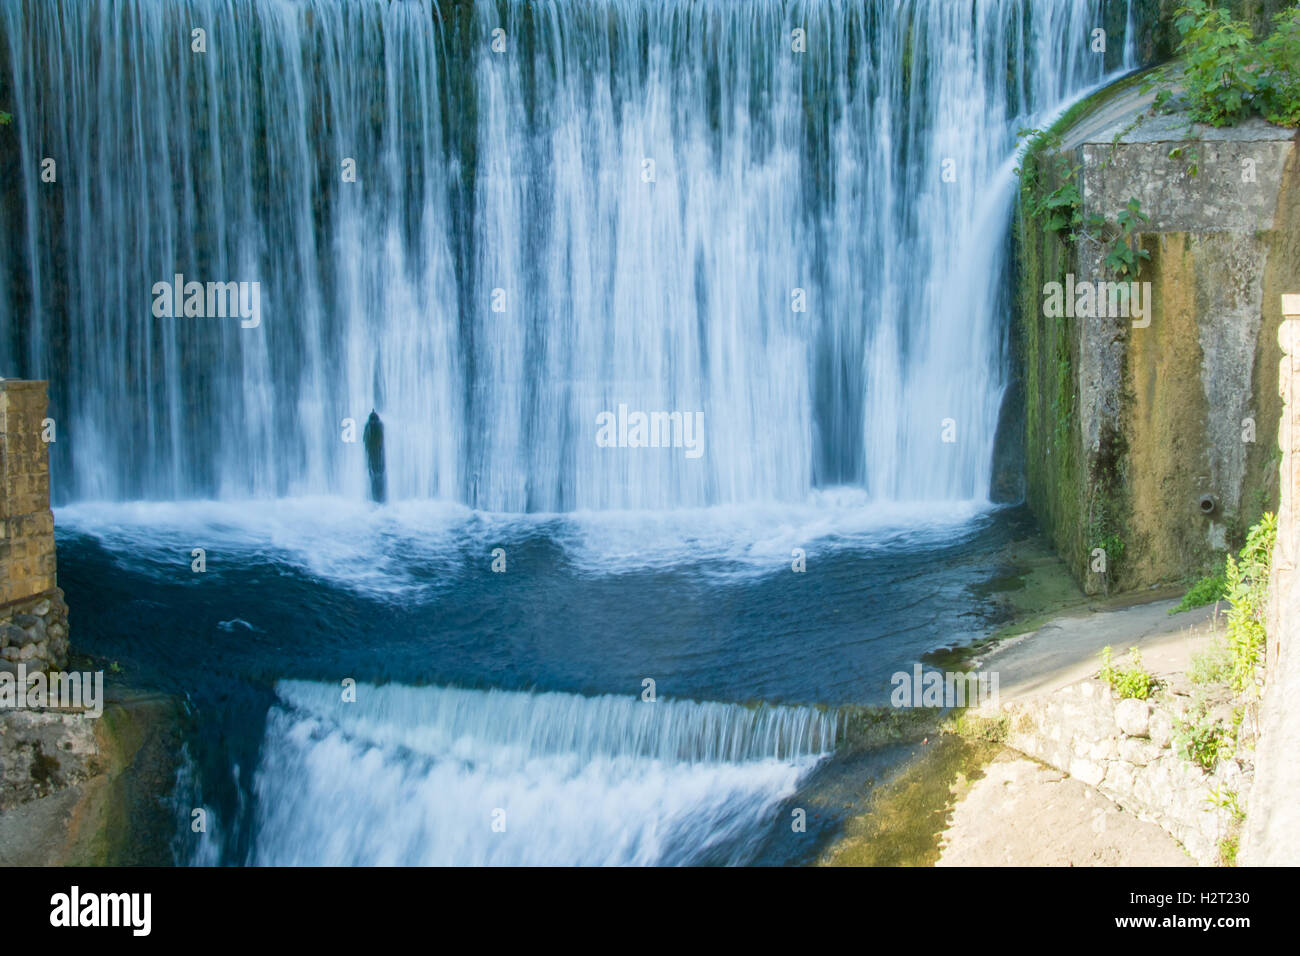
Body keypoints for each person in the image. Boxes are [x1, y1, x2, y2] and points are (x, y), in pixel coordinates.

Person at [363, 409, 386, 503]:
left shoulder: (370, 426)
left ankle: (376, 497)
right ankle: (377, 497)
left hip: (375, 454)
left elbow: (365, 441)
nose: (372, 423)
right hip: (375, 454)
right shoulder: (377, 426)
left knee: (375, 474)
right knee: (375, 474)